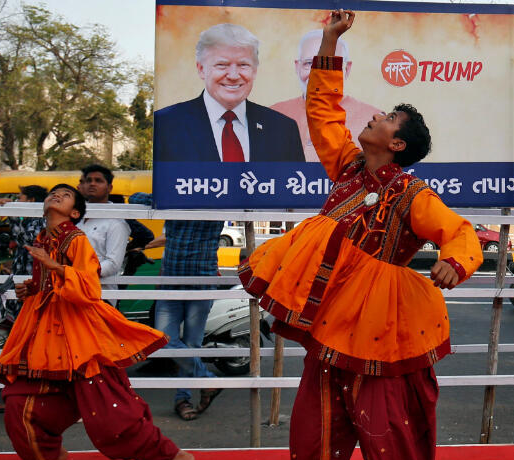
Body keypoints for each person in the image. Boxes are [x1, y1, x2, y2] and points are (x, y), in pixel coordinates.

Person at [237, 10, 481, 460]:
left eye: (387, 117)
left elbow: (460, 231)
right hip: (327, 336)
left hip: (378, 340)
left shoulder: (413, 195)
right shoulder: (348, 169)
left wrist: (455, 263)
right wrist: (329, 40)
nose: (373, 116)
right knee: (311, 442)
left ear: (396, 143)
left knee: (390, 445)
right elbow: (323, 112)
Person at [0, 184, 194, 460]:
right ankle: (45, 454)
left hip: (78, 336)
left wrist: (54, 267)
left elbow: (88, 288)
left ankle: (172, 455)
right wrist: (31, 288)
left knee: (108, 411)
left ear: (74, 213)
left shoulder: (76, 239)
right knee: (20, 403)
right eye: (53, 193)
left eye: (65, 195)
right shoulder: (43, 238)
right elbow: (48, 283)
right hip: (43, 334)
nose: (56, 196)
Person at [128, 192, 223, 421]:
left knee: (191, 345)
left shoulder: (220, 199)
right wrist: (169, 191)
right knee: (163, 339)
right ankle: (206, 380)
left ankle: (183, 399)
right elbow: (135, 198)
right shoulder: (175, 195)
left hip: (202, 282)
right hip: (170, 282)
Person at [154, 23, 305, 163]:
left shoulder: (284, 129)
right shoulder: (165, 125)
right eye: (222, 65)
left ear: (254, 70)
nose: (233, 75)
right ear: (201, 69)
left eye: (243, 65)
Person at [272, 29, 381, 161]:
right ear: (297, 67)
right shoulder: (273, 115)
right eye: (309, 63)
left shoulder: (373, 120)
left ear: (347, 69)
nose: (318, 74)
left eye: (330, 64)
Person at [76, 165, 129, 282]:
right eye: (88, 180)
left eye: (98, 181)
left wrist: (79, 274)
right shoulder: (75, 216)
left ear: (109, 188)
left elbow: (113, 264)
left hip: (100, 288)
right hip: (71, 286)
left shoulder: (116, 223)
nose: (92, 184)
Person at [0, 185, 49, 276]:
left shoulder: (42, 221)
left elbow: (25, 240)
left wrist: (11, 209)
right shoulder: (26, 220)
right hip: (22, 270)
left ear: (31, 200)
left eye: (19, 198)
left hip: (34, 271)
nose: (17, 202)